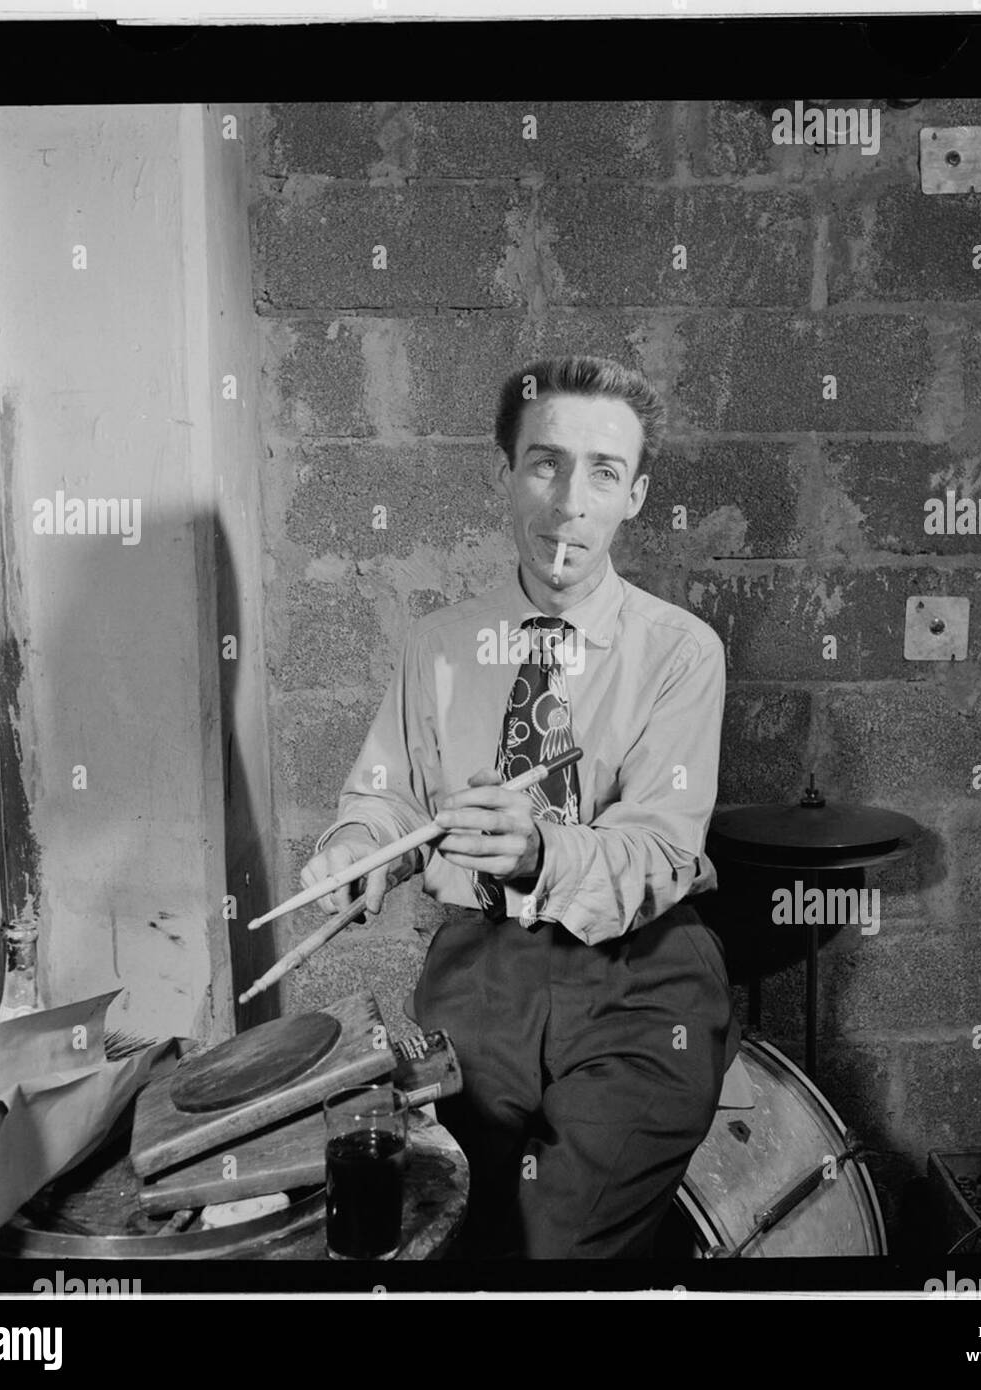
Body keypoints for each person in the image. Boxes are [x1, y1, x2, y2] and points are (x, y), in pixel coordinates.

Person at [301, 356, 731, 1259]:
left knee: (555, 1245)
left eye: (604, 473)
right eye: (546, 462)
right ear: (506, 475)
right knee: (453, 1221)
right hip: (476, 971)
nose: (570, 500)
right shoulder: (439, 644)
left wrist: (541, 851)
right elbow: (387, 801)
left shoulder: (681, 653)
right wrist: (357, 848)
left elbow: (659, 849)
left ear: (635, 496)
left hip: (638, 972)